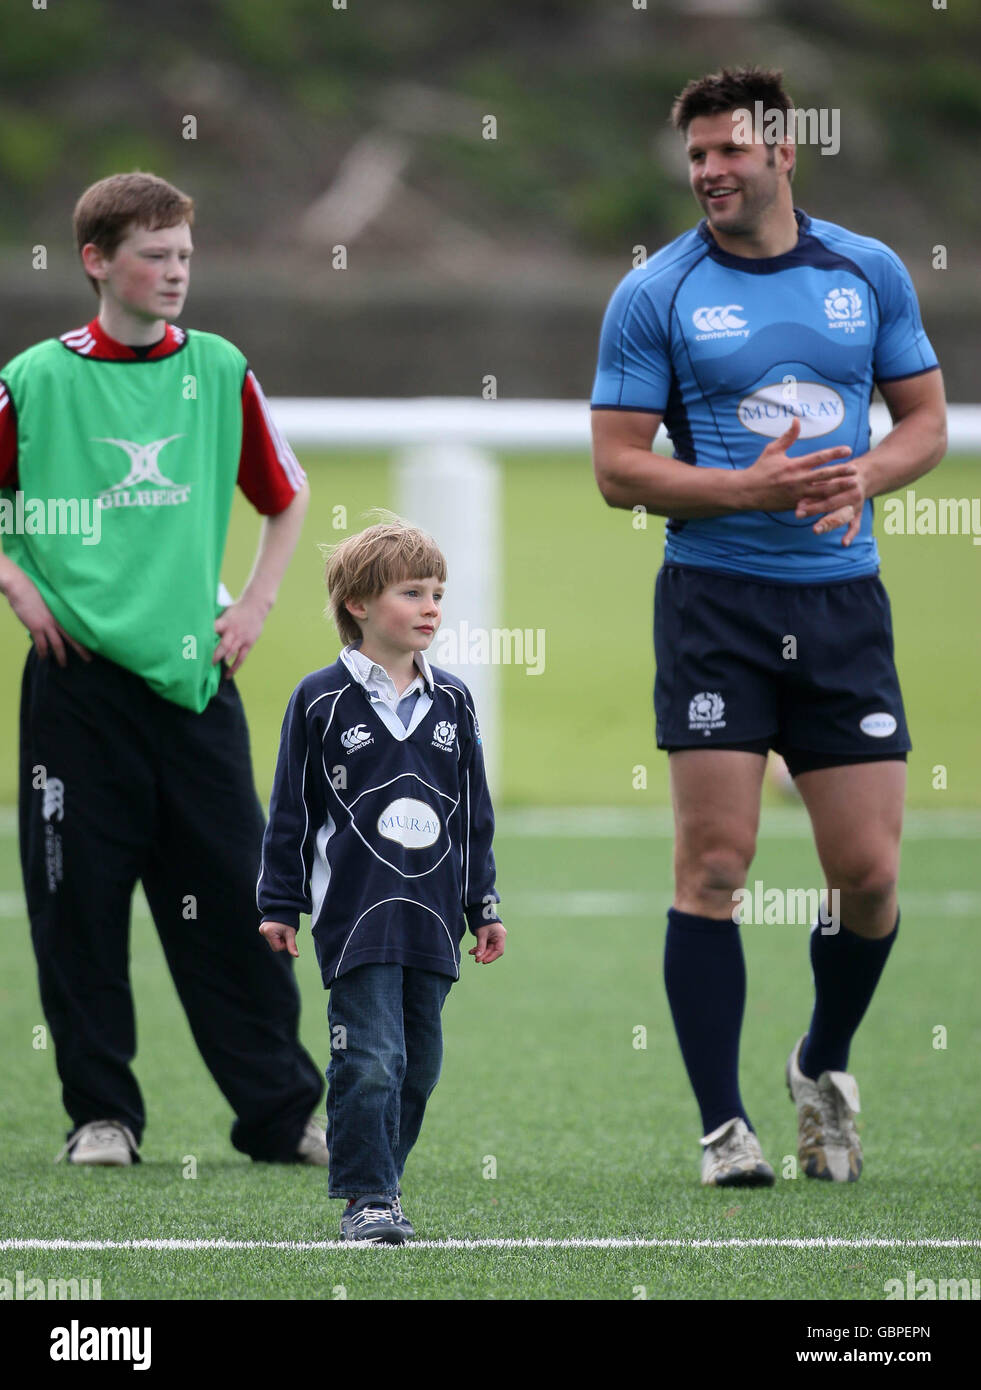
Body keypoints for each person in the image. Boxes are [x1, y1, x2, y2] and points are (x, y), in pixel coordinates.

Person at [590, 68, 946, 1186]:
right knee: (715, 864)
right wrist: (749, 491)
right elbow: (616, 469)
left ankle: (821, 1062)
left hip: (843, 605)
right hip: (716, 601)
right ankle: (722, 1126)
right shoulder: (658, 292)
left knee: (870, 876)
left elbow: (925, 419)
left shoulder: (868, 270)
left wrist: (863, 480)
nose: (709, 171)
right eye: (696, 155)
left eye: (729, 151)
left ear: (785, 153)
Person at [0, 172, 326, 1166]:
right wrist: (16, 581)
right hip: (77, 691)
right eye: (154, 253)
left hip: (194, 691)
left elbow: (285, 495)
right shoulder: (34, 380)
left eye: (184, 254)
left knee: (236, 902)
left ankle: (279, 1115)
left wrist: (259, 601)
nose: (175, 272)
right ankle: (103, 1116)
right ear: (97, 261)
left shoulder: (220, 371)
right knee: (79, 907)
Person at [258, 518, 506, 1242]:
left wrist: (481, 902)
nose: (431, 606)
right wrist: (280, 900)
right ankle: (367, 1199)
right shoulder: (319, 699)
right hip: (356, 918)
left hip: (431, 920)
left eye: (437, 593)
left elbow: (472, 817)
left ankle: (381, 1187)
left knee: (417, 1069)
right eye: (412, 592)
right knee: (370, 1061)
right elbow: (290, 812)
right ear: (359, 604)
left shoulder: (455, 701)